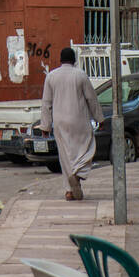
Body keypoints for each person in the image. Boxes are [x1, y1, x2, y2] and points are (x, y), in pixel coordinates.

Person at [39, 46, 103, 201]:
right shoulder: (80, 75)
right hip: (79, 119)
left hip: (60, 122)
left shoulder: (51, 76)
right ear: (74, 60)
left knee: (65, 155)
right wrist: (99, 119)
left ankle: (69, 190)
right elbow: (91, 99)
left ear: (60, 60)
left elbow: (46, 103)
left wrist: (45, 126)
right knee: (85, 149)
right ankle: (78, 174)